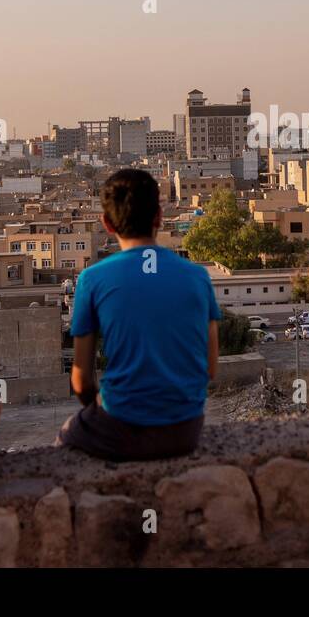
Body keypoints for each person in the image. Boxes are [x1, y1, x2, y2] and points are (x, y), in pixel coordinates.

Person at [56, 168, 219, 461]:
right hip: (186, 431)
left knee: (63, 444)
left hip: (120, 428)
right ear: (159, 216)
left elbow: (80, 381)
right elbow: (209, 367)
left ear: (107, 223)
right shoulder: (198, 277)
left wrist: (101, 407)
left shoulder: (92, 280)